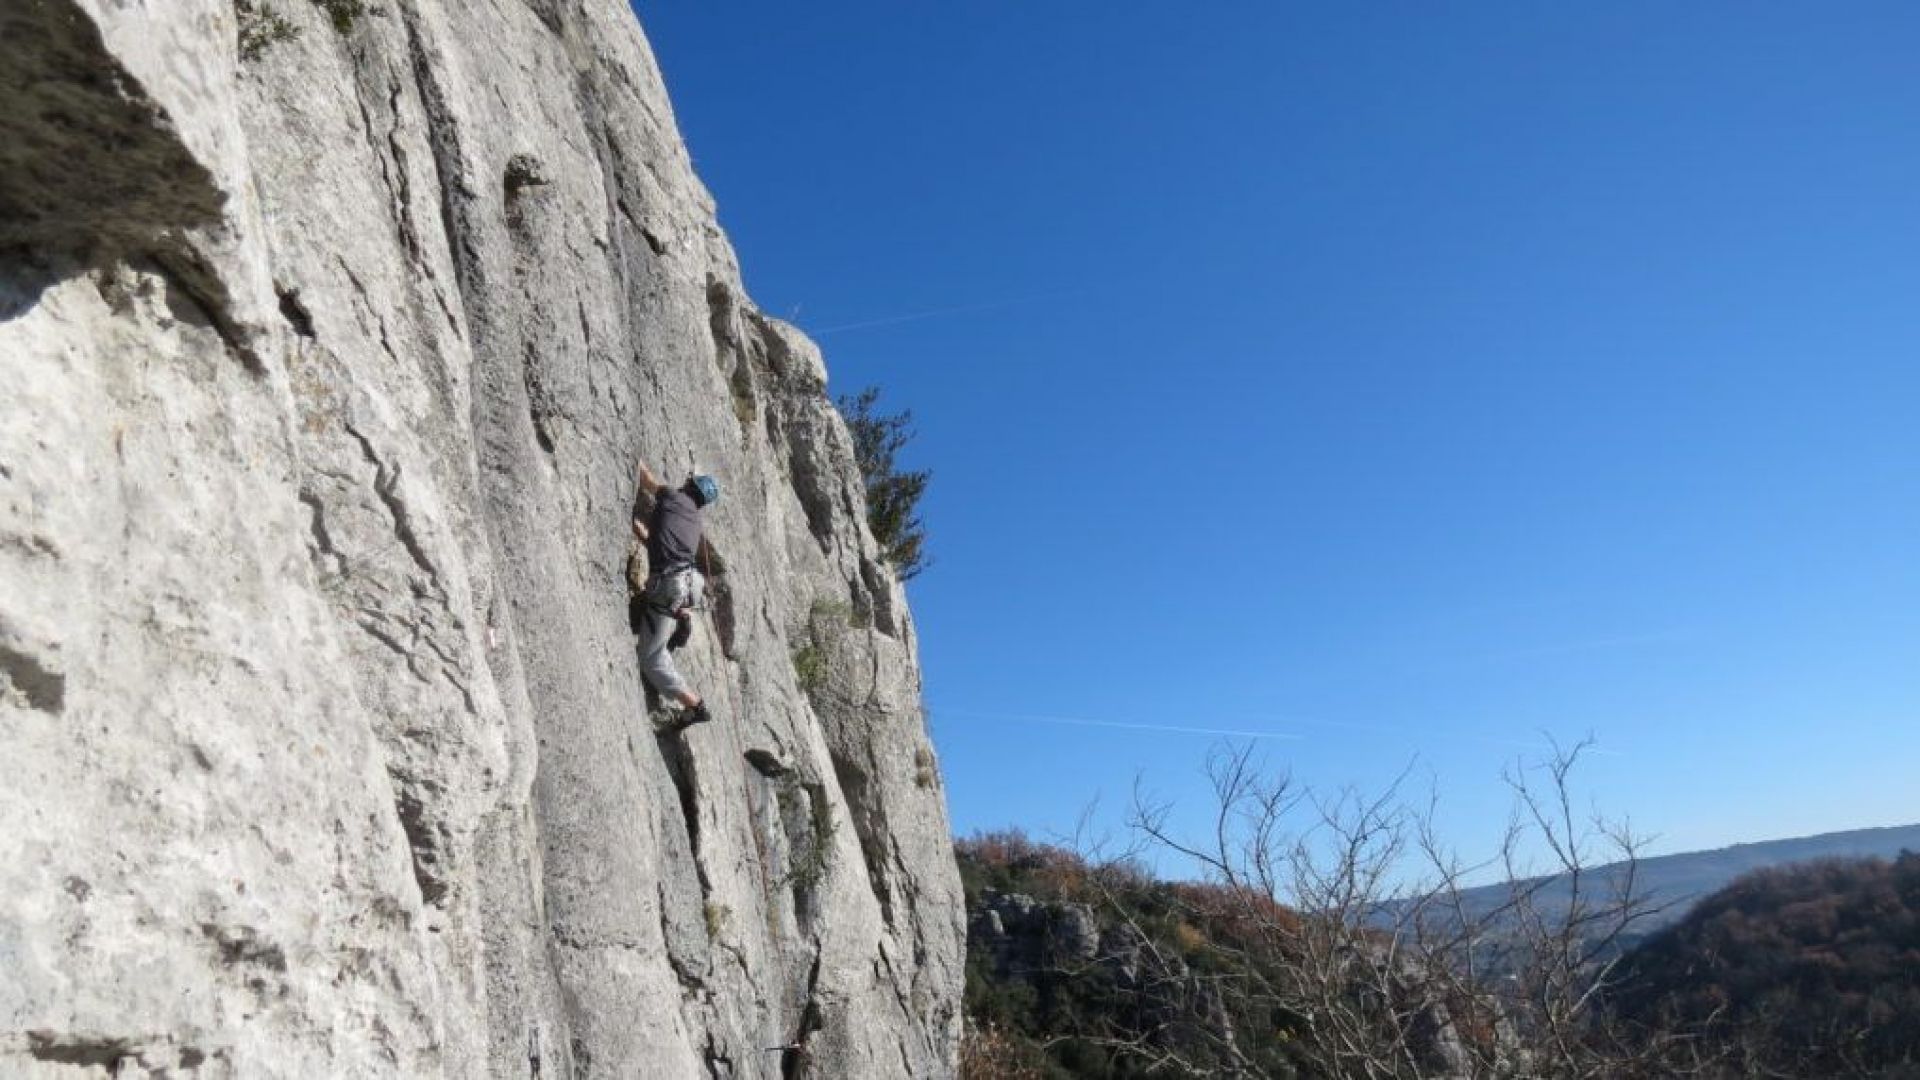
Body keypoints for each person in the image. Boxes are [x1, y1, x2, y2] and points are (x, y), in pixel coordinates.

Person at [632, 460, 719, 730]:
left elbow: (646, 479)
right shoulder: (694, 522)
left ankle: (694, 706)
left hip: (671, 586)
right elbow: (665, 543)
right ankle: (675, 622)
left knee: (651, 658)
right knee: (659, 616)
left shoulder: (673, 496)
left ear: (689, 485)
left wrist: (633, 457)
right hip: (689, 583)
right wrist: (640, 532)